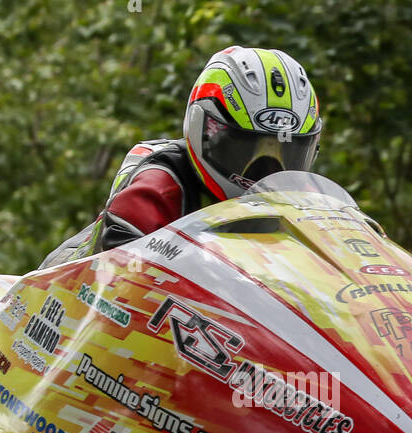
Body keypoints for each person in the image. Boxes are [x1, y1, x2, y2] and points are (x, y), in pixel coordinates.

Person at [40, 46, 322, 268]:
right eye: (245, 149)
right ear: (204, 129)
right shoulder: (157, 189)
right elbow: (118, 282)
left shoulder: (308, 204)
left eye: (288, 154)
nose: (265, 172)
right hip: (63, 307)